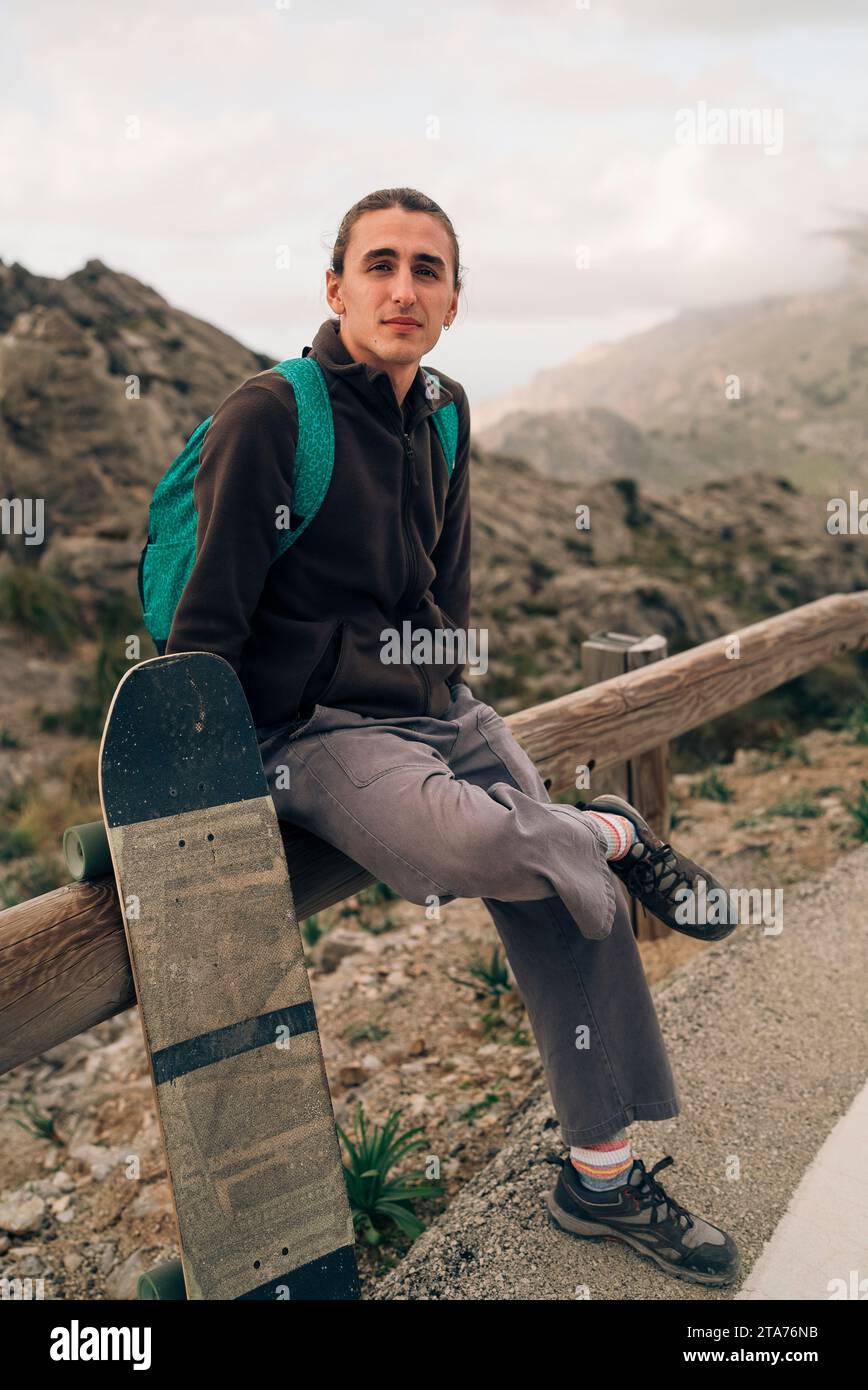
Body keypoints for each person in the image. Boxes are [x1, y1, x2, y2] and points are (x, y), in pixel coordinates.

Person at [165, 186, 740, 1289]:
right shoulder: (269, 416)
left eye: (427, 270)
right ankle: (614, 833)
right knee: (473, 851)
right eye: (379, 264)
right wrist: (205, 799)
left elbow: (445, 583)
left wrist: (459, 706)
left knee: (555, 887)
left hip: (436, 705)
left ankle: (604, 1177)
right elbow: (206, 632)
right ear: (334, 288)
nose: (402, 287)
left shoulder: (444, 408)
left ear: (453, 302)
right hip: (315, 727)